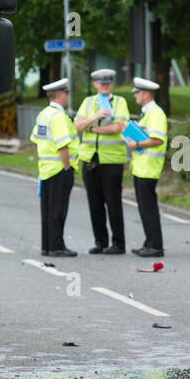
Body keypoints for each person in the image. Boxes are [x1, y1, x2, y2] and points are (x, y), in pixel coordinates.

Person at [73, 69, 130, 254]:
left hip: (112, 159)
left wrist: (92, 129)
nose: (104, 86)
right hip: (90, 159)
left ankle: (118, 243)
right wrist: (95, 118)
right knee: (94, 202)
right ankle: (100, 242)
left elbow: (119, 127)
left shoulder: (119, 101)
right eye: (101, 83)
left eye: (107, 83)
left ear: (111, 84)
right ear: (95, 84)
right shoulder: (88, 102)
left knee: (113, 203)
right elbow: (77, 125)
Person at [31, 79, 80, 257]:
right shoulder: (59, 117)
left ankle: (47, 246)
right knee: (58, 210)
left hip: (45, 169)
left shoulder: (44, 114)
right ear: (60, 95)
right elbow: (63, 146)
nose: (67, 97)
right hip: (60, 169)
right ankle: (57, 246)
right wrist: (67, 168)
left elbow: (36, 139)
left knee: (48, 210)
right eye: (66, 94)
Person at [126, 76, 167, 258]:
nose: (135, 96)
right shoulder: (147, 112)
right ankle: (149, 243)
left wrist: (137, 145)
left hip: (149, 167)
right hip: (141, 167)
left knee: (148, 208)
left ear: (145, 93)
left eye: (137, 93)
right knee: (144, 208)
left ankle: (155, 246)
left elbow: (157, 139)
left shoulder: (155, 113)